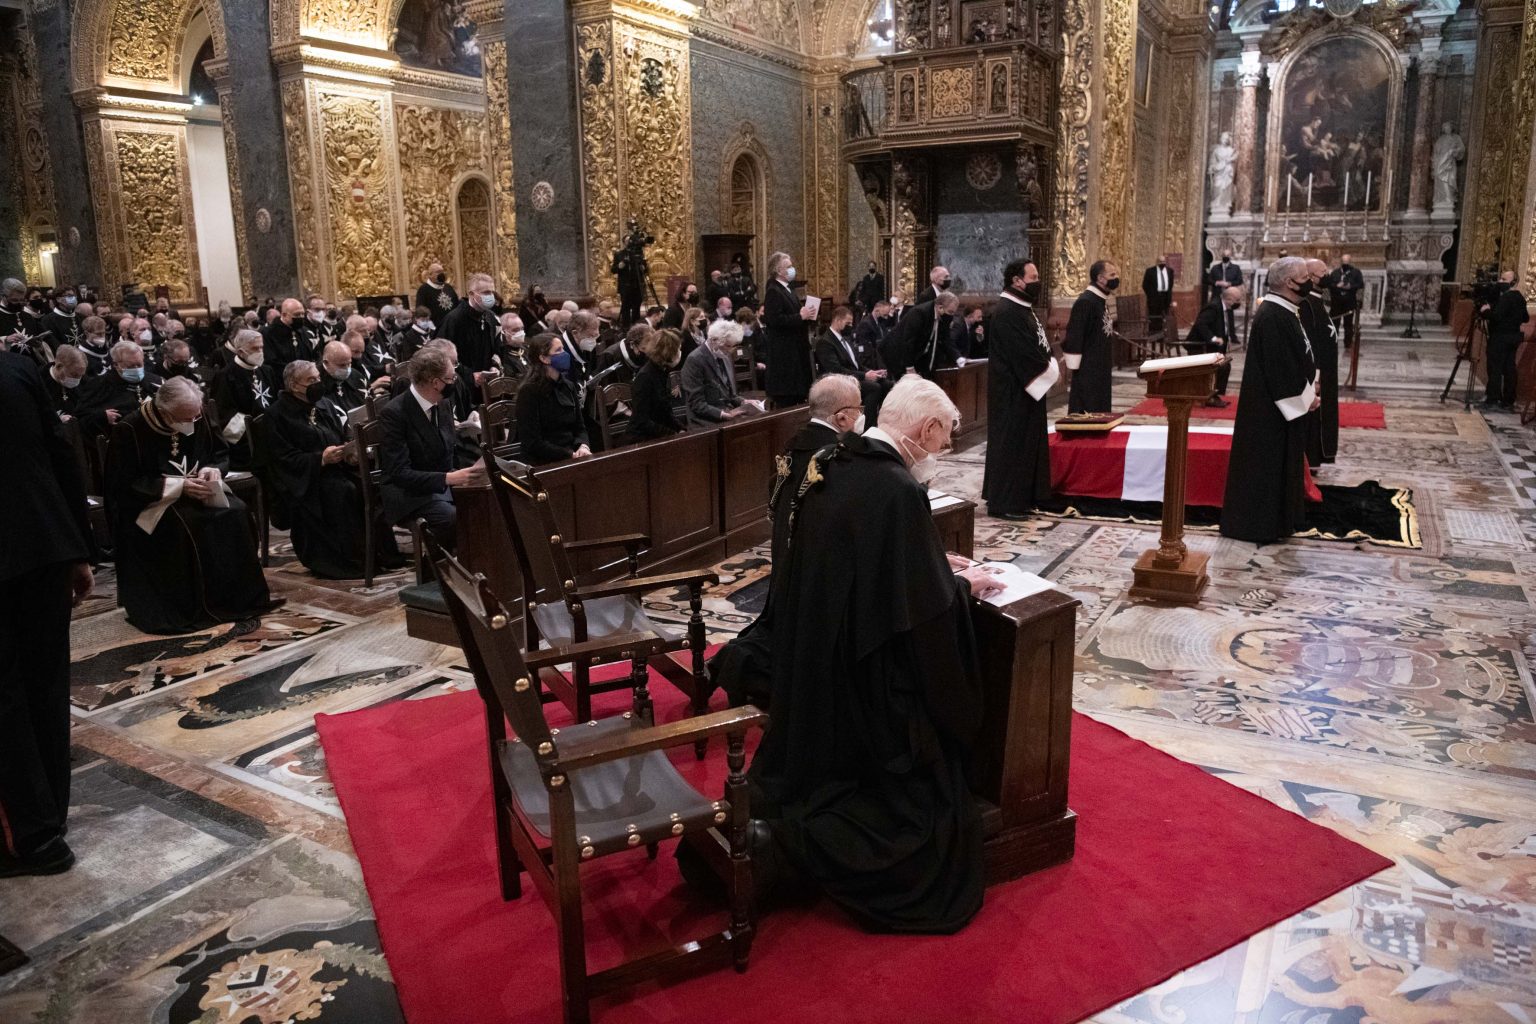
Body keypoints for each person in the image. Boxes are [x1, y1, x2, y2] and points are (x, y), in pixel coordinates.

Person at [747, 375, 989, 933]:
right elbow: (922, 619)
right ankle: (784, 847)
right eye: (944, 438)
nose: (943, 450)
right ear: (927, 429)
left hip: (817, 668)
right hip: (867, 690)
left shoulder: (836, 462)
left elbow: (866, 567)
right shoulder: (895, 489)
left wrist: (930, 562)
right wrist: (959, 587)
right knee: (930, 822)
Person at [0, 350, 94, 878]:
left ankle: (30, 837)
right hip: (44, 546)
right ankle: (49, 816)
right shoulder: (15, 366)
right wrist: (77, 548)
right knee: (44, 683)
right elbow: (61, 454)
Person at [106, 376, 278, 633]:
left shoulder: (198, 415)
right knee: (188, 524)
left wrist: (213, 469)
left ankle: (237, 598)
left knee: (237, 512)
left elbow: (220, 452)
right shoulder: (130, 429)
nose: (192, 422)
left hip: (201, 489)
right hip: (155, 502)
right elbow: (124, 483)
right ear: (165, 411)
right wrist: (178, 487)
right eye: (185, 418)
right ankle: (195, 605)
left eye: (196, 416)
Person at [1220, 257, 1321, 544]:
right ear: (1289, 282)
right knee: (1265, 469)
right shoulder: (1273, 316)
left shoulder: (1285, 311)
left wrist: (1309, 388)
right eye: (1305, 276)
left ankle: (1280, 521)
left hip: (1279, 410)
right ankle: (1259, 525)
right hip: (1269, 413)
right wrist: (1306, 399)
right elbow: (1281, 370)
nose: (1310, 281)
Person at [265, 360, 396, 578]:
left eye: (318, 378)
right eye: (311, 380)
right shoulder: (277, 415)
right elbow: (282, 459)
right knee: (343, 491)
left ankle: (381, 554)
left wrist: (350, 453)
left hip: (338, 467)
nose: (318, 383)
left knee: (372, 485)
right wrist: (320, 459)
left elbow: (340, 435)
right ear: (294, 385)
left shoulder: (323, 404)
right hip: (307, 479)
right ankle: (351, 559)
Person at [377, 345, 485, 550]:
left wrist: (464, 475)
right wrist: (448, 478)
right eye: (451, 378)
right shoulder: (394, 413)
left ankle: (478, 561)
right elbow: (400, 473)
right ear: (435, 383)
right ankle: (444, 564)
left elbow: (448, 451)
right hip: (410, 494)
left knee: (488, 501)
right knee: (454, 517)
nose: (455, 382)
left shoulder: (442, 403)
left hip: (442, 482)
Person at [982, 258, 1058, 519]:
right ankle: (1005, 503)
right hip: (1012, 392)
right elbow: (1022, 353)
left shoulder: (1022, 307)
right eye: (1033, 277)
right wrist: (1048, 369)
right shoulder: (1007, 312)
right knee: (1011, 445)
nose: (1038, 282)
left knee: (1026, 444)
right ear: (1017, 280)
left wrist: (1047, 362)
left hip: (1024, 392)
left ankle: (1022, 498)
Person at [515, 332, 592, 465]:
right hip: (544, 460)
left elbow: (580, 427)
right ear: (544, 358)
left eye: (563, 349)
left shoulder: (568, 386)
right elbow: (532, 442)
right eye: (558, 350)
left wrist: (583, 446)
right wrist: (569, 454)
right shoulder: (528, 392)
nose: (564, 354)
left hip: (573, 454)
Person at [209, 329, 279, 471]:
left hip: (272, 431)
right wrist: (259, 430)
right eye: (255, 348)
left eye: (261, 347)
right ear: (241, 352)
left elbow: (277, 402)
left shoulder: (267, 371)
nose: (260, 352)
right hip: (246, 439)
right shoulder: (225, 376)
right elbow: (225, 414)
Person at [761, 251, 816, 407]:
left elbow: (794, 314)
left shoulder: (787, 289)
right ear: (779, 270)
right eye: (789, 267)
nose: (792, 269)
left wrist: (807, 315)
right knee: (787, 400)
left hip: (795, 348)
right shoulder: (773, 290)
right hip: (784, 353)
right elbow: (775, 320)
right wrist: (800, 316)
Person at [77, 340, 164, 438]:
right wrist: (102, 417)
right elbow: (81, 417)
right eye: (130, 366)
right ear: (116, 365)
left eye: (139, 365)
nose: (136, 369)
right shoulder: (98, 385)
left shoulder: (156, 381)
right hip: (118, 438)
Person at [1063, 260, 1118, 414]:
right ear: (1100, 278)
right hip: (1088, 368)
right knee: (1087, 406)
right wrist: (1074, 365)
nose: (1116, 278)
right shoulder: (1086, 301)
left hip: (1101, 364)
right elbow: (1075, 333)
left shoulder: (1100, 299)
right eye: (1112, 275)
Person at [1299, 260, 1339, 465]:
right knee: (1314, 417)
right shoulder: (1307, 304)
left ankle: (1317, 457)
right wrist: (1315, 377)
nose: (1327, 274)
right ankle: (1310, 458)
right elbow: (1310, 342)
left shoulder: (1317, 300)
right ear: (1312, 277)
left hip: (1327, 371)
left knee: (1323, 415)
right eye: (1323, 272)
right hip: (1317, 373)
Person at [683, 318, 749, 427]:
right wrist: (722, 414)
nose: (730, 350)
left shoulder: (724, 356)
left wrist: (744, 402)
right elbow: (696, 404)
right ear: (713, 340)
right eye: (727, 346)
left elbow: (730, 395)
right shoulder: (695, 359)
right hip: (704, 420)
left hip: (726, 412)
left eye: (732, 346)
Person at [1185, 285, 1242, 407]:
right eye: (1237, 300)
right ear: (1229, 299)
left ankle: (1214, 395)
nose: (1238, 303)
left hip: (1208, 348)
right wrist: (1214, 338)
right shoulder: (1213, 306)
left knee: (1225, 365)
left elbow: (1221, 327)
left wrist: (1226, 340)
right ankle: (1211, 396)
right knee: (1222, 367)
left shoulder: (1223, 307)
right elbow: (1201, 324)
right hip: (1198, 347)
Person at [1484, 270, 1529, 411]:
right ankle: (1509, 399)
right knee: (1509, 367)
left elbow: (1496, 317)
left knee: (1495, 367)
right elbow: (1525, 318)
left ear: (1513, 282)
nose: (1500, 281)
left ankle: (1493, 398)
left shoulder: (1506, 298)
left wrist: (1486, 311)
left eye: (1504, 279)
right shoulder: (1520, 298)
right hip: (1514, 337)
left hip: (1501, 337)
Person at [628, 328, 684, 440]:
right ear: (667, 352)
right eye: (677, 349)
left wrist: (680, 429)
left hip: (660, 432)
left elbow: (665, 411)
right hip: (644, 438)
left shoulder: (662, 370)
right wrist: (673, 434)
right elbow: (641, 421)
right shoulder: (645, 377)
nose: (679, 352)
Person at [889, 291, 960, 379]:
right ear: (940, 307)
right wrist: (909, 367)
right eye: (950, 312)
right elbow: (909, 341)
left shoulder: (943, 316)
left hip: (920, 357)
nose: (951, 316)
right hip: (898, 356)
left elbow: (946, 338)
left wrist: (958, 357)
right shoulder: (919, 313)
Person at [442, 272, 499, 375]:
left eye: (492, 292)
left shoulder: (491, 317)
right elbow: (443, 356)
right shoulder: (454, 319)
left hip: (487, 378)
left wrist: (494, 366)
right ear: (471, 294)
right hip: (462, 379)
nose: (490, 296)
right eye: (486, 292)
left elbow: (498, 347)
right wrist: (469, 376)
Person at [1323, 255, 1364, 351]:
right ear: (1341, 262)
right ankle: (1333, 342)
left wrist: (1350, 286)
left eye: (1347, 262)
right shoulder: (1335, 272)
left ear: (1350, 262)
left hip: (1349, 302)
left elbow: (1360, 284)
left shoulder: (1356, 272)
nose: (1345, 264)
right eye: (1344, 262)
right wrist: (1337, 286)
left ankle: (1348, 343)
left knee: (1348, 324)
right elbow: (1329, 284)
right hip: (1336, 302)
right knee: (1334, 323)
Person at [261, 298, 309, 368]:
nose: (301, 317)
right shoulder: (268, 333)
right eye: (297, 315)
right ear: (284, 315)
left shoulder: (303, 330)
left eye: (303, 314)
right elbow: (271, 361)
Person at [43, 345, 88, 418]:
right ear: (59, 366)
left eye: (81, 375)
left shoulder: (84, 381)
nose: (78, 380)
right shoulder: (40, 382)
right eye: (74, 375)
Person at [1141, 256, 1174, 331]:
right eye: (1160, 261)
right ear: (1157, 262)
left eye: (1163, 261)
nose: (1162, 263)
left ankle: (1163, 334)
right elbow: (1145, 285)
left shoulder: (1170, 271)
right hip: (1154, 298)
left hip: (1165, 297)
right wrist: (1151, 295)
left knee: (1164, 316)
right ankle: (1153, 333)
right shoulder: (1150, 271)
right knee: (1154, 316)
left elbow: (1170, 285)